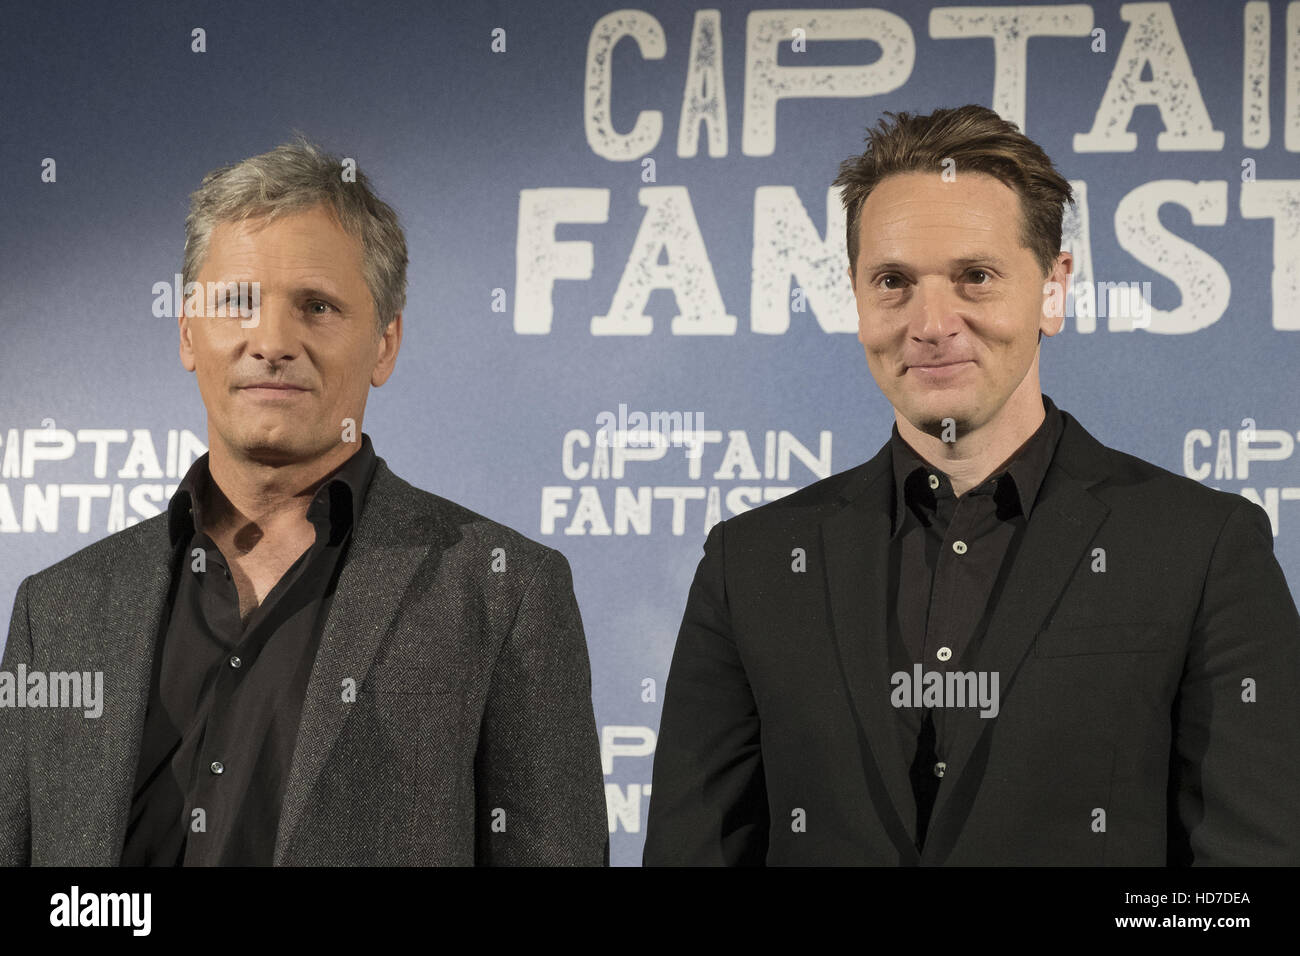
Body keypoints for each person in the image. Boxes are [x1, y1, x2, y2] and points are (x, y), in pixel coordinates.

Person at [643, 104, 1300, 865]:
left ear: (1054, 289)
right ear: (856, 296)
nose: (931, 322)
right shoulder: (748, 563)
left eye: (975, 277)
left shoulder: (1202, 547)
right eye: (893, 281)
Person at [0, 138, 607, 866]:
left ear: (385, 344)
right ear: (188, 332)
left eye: (317, 306)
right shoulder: (58, 608)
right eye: (236, 303)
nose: (273, 341)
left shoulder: (503, 590)